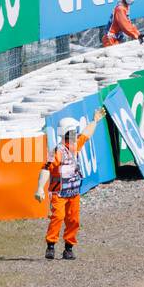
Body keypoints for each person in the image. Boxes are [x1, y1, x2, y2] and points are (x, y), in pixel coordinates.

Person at [35, 108, 105, 260]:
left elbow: (86, 134)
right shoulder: (56, 152)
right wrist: (40, 188)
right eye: (73, 131)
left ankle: (68, 248)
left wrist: (95, 121)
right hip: (59, 193)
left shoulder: (74, 146)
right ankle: (51, 245)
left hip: (73, 192)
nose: (75, 134)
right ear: (67, 133)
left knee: (74, 220)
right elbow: (46, 169)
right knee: (58, 217)